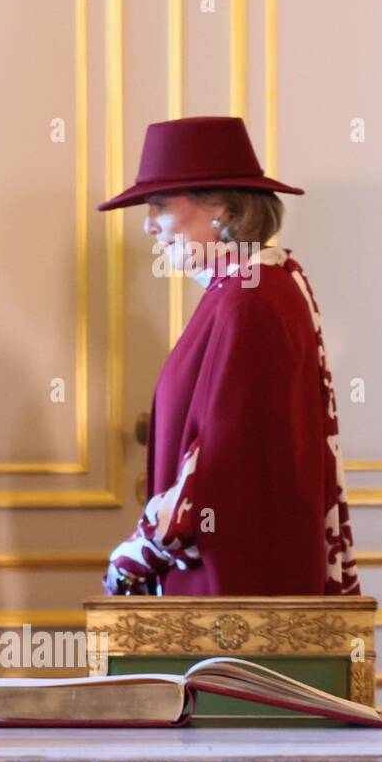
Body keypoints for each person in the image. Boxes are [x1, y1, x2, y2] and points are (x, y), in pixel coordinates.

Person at [98, 115, 358, 596]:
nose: (148, 225)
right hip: (235, 590)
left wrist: (142, 548)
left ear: (220, 207)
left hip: (230, 602)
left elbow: (223, 469)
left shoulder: (248, 300)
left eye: (159, 205)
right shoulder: (254, 288)